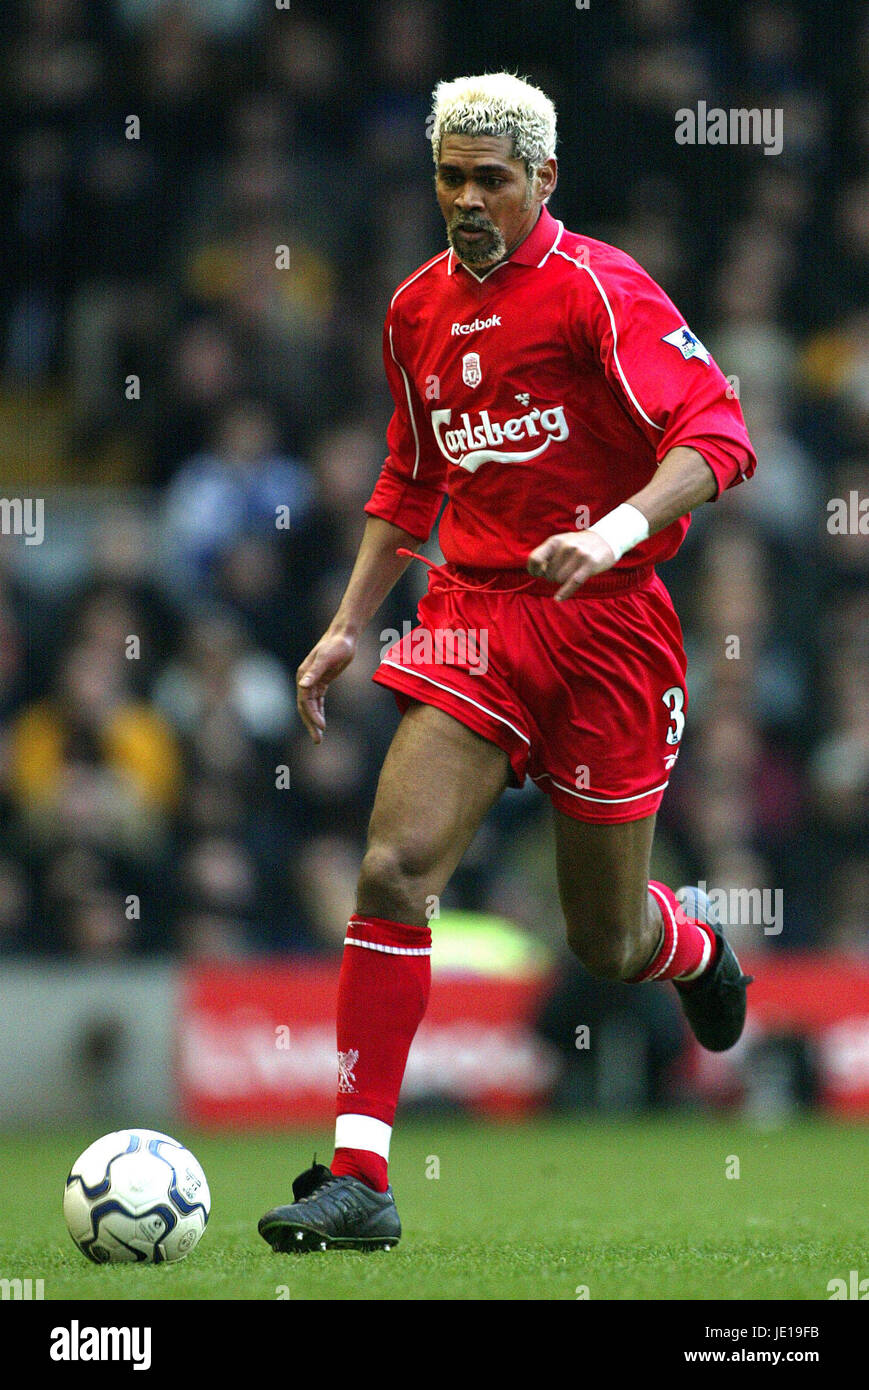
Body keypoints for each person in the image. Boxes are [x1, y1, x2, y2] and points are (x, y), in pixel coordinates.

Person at [258, 72, 757, 1254]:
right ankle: (360, 1176)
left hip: (609, 626)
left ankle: (685, 947)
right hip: (474, 617)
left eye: (490, 177)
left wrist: (611, 529)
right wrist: (344, 621)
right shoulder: (414, 308)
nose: (467, 199)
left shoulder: (599, 288)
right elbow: (411, 477)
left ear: (542, 178)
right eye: (449, 176)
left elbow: (719, 433)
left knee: (602, 942)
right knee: (391, 865)